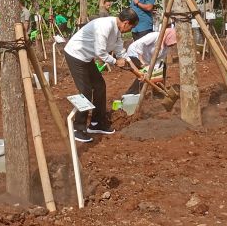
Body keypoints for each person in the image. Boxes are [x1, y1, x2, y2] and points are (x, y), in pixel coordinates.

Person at [64, 9, 138, 142]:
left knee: (99, 86)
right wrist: (116, 62)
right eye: (131, 27)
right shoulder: (105, 26)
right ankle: (78, 128)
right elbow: (100, 53)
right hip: (75, 55)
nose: (130, 30)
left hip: (86, 58)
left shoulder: (117, 31)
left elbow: (121, 52)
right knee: (85, 91)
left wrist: (136, 70)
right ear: (126, 23)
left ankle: (97, 123)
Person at [124, 28, 177, 95]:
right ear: (168, 36)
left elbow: (159, 60)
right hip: (135, 54)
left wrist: (157, 71)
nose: (171, 45)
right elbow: (140, 44)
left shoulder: (166, 46)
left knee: (161, 69)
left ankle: (158, 93)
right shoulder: (155, 36)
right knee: (144, 73)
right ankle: (131, 93)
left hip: (147, 59)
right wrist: (142, 61)